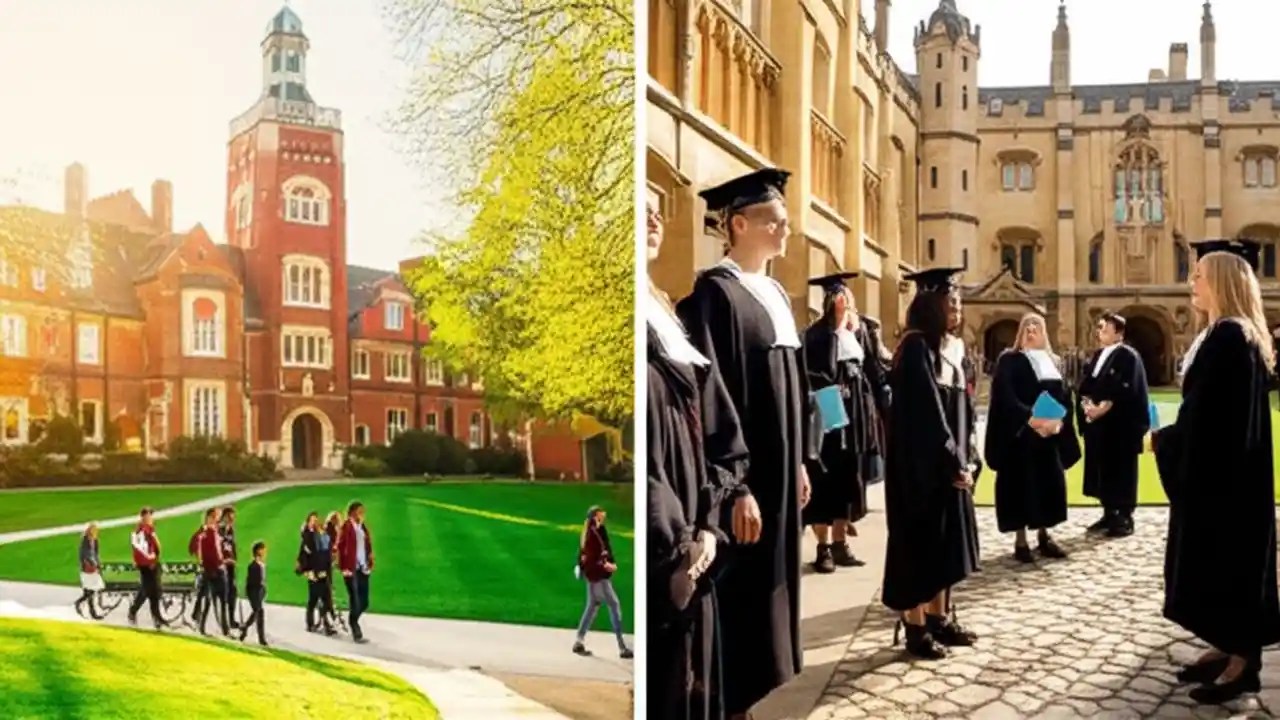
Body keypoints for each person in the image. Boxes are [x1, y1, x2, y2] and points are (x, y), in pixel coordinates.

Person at [676, 167, 815, 718]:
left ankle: (753, 701)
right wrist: (733, 487)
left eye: (785, 221)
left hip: (782, 475)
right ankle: (730, 706)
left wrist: (802, 459)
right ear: (738, 224)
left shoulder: (776, 293)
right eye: (773, 221)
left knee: (773, 593)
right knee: (739, 595)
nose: (784, 231)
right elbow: (713, 399)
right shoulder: (715, 296)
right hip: (747, 484)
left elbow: (797, 388)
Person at [1151, 239, 1280, 704]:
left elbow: (1212, 420)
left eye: (1199, 275)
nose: (1191, 282)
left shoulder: (1231, 337)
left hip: (1226, 481)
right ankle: (1225, 645)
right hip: (1226, 474)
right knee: (1218, 564)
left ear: (1221, 282)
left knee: (1230, 564)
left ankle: (1243, 662)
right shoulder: (1227, 334)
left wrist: (1165, 441)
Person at [647, 187, 754, 719]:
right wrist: (680, 543)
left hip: (699, 537)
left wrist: (713, 518)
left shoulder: (666, 311)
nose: (651, 219)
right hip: (670, 552)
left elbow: (716, 420)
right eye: (636, 210)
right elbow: (646, 461)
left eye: (655, 211)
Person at [881, 267, 981, 660]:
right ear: (930, 305)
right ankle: (916, 627)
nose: (956, 307)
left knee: (945, 545)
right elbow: (928, 415)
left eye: (958, 300)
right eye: (949, 300)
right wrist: (954, 461)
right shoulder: (917, 348)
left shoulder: (947, 349)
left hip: (947, 465)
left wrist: (968, 454)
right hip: (920, 469)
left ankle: (940, 618)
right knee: (917, 546)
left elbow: (962, 410)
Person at [801, 272, 889, 572]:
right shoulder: (815, 335)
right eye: (840, 302)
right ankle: (823, 548)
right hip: (829, 412)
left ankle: (840, 543)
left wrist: (883, 400)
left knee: (850, 478)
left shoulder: (860, 332)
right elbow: (809, 374)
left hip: (857, 413)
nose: (846, 307)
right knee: (826, 477)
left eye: (848, 302)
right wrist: (831, 389)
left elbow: (874, 368)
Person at [984, 313, 1080, 562]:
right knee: (1020, 486)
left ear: (1044, 332)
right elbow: (1005, 394)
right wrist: (1029, 417)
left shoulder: (1054, 361)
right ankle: (1021, 541)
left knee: (1048, 486)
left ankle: (1044, 536)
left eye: (1036, 326)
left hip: (1048, 436)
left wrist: (1058, 422)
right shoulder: (1009, 360)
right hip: (1020, 436)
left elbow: (1064, 395)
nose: (1031, 330)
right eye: (1026, 326)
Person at [1077, 310, 1150, 538]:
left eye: (1105, 329)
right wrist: (1087, 404)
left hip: (1120, 427)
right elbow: (1087, 382)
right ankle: (1109, 512)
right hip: (1100, 427)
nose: (1100, 332)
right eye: (1099, 328)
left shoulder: (1128, 356)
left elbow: (1127, 386)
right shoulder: (1098, 355)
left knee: (1122, 469)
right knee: (1103, 468)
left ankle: (1125, 517)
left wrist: (1104, 408)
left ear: (1118, 332)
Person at [574, 506, 633, 659]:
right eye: (601, 513)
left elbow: (603, 551)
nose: (604, 515)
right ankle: (622, 647)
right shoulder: (591, 535)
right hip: (598, 577)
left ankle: (578, 641)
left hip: (595, 576)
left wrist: (610, 563)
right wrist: (607, 566)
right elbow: (592, 558)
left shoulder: (598, 531)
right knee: (614, 605)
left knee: (592, 607)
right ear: (595, 516)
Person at [338, 501, 374, 643]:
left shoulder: (362, 526)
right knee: (355, 599)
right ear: (352, 512)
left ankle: (353, 620)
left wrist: (370, 560)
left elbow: (367, 545)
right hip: (351, 568)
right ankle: (355, 629)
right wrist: (344, 567)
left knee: (364, 602)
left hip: (362, 567)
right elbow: (340, 546)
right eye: (359, 511)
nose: (362, 514)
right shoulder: (347, 526)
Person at [298, 511, 336, 635]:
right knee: (314, 599)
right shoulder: (308, 537)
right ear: (309, 522)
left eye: (316, 520)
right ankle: (312, 624)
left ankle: (325, 624)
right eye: (312, 520)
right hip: (314, 572)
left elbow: (324, 552)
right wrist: (309, 572)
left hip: (322, 571)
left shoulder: (318, 535)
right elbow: (305, 556)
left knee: (325, 599)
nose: (315, 522)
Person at [127, 507, 164, 629]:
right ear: (143, 517)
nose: (150, 518)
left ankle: (154, 616)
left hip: (149, 563)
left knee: (150, 591)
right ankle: (153, 616)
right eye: (148, 516)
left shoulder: (143, 530)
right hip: (148, 564)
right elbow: (155, 545)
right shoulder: (143, 530)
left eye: (150, 516)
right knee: (150, 591)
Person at [195, 507, 230, 636]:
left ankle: (225, 629)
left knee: (222, 601)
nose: (218, 519)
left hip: (218, 569)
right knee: (209, 600)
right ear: (209, 517)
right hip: (212, 570)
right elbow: (204, 553)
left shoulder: (215, 532)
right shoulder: (205, 534)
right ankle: (202, 626)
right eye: (216, 516)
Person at [240, 541, 269, 647]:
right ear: (258, 551)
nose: (265, 551)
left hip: (260, 591)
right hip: (254, 592)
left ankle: (245, 627)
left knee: (257, 613)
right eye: (263, 549)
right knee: (259, 612)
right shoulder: (253, 566)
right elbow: (251, 582)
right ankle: (261, 639)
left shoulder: (261, 564)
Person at [75, 522, 104, 619]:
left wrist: (98, 564)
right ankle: (86, 608)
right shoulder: (85, 541)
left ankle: (87, 609)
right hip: (87, 569)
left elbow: (96, 554)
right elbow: (85, 554)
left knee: (93, 590)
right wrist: (93, 563)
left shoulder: (95, 541)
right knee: (90, 590)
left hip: (93, 568)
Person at [219, 506, 240, 630]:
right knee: (223, 593)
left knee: (233, 591)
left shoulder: (231, 530)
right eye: (229, 517)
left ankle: (231, 619)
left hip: (230, 564)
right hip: (221, 565)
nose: (231, 520)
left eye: (233, 518)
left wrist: (234, 559)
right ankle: (224, 621)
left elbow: (233, 546)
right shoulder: (219, 530)